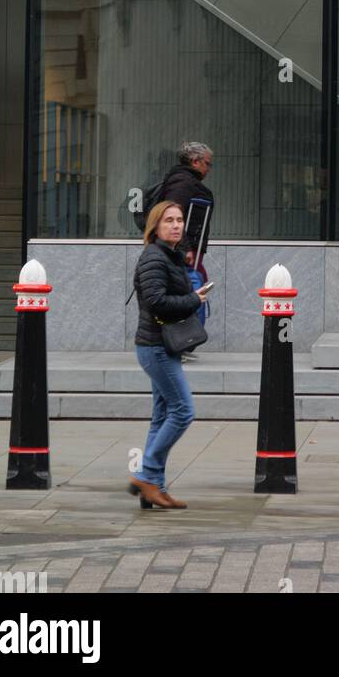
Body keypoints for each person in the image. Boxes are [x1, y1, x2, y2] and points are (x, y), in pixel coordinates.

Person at [129, 201, 207, 509]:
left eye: (179, 220)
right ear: (155, 226)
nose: (176, 225)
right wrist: (193, 300)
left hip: (165, 346)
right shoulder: (153, 257)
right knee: (183, 411)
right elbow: (156, 301)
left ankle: (155, 490)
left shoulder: (169, 256)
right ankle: (146, 474)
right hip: (155, 347)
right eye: (168, 221)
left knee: (162, 416)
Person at [137, 142, 215, 262]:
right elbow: (171, 213)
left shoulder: (187, 181)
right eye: (207, 164)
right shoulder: (182, 182)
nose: (209, 169)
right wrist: (185, 249)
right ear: (195, 161)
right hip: (182, 252)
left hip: (186, 250)